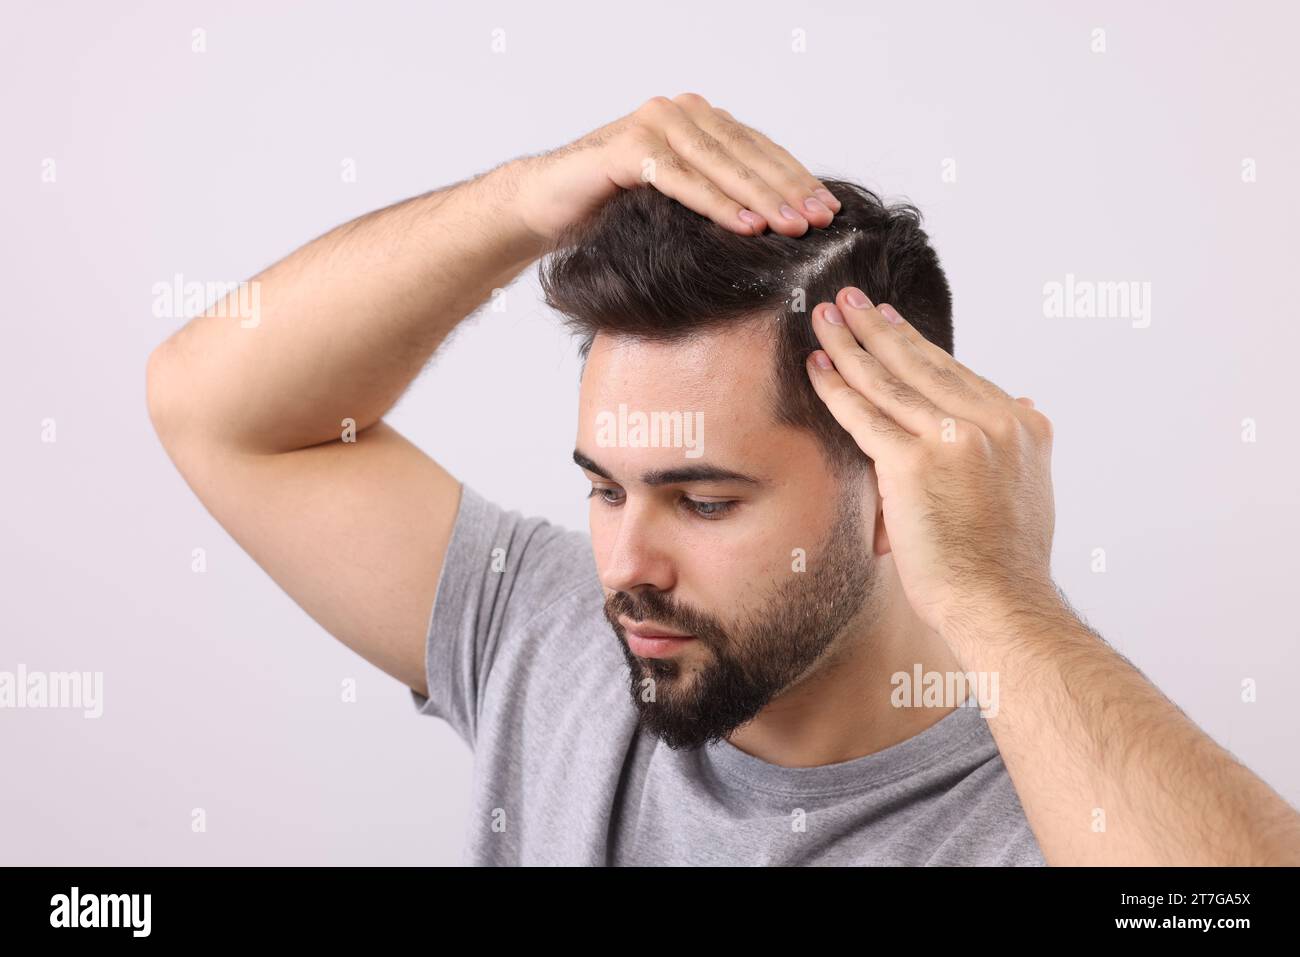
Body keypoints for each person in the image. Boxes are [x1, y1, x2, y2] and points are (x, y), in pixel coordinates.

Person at [146, 93, 1300, 866]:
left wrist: (1002, 590)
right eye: (604, 488)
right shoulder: (548, 639)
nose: (626, 569)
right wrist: (526, 199)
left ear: (894, 489)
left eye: (703, 502)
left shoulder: (1045, 819)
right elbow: (221, 413)